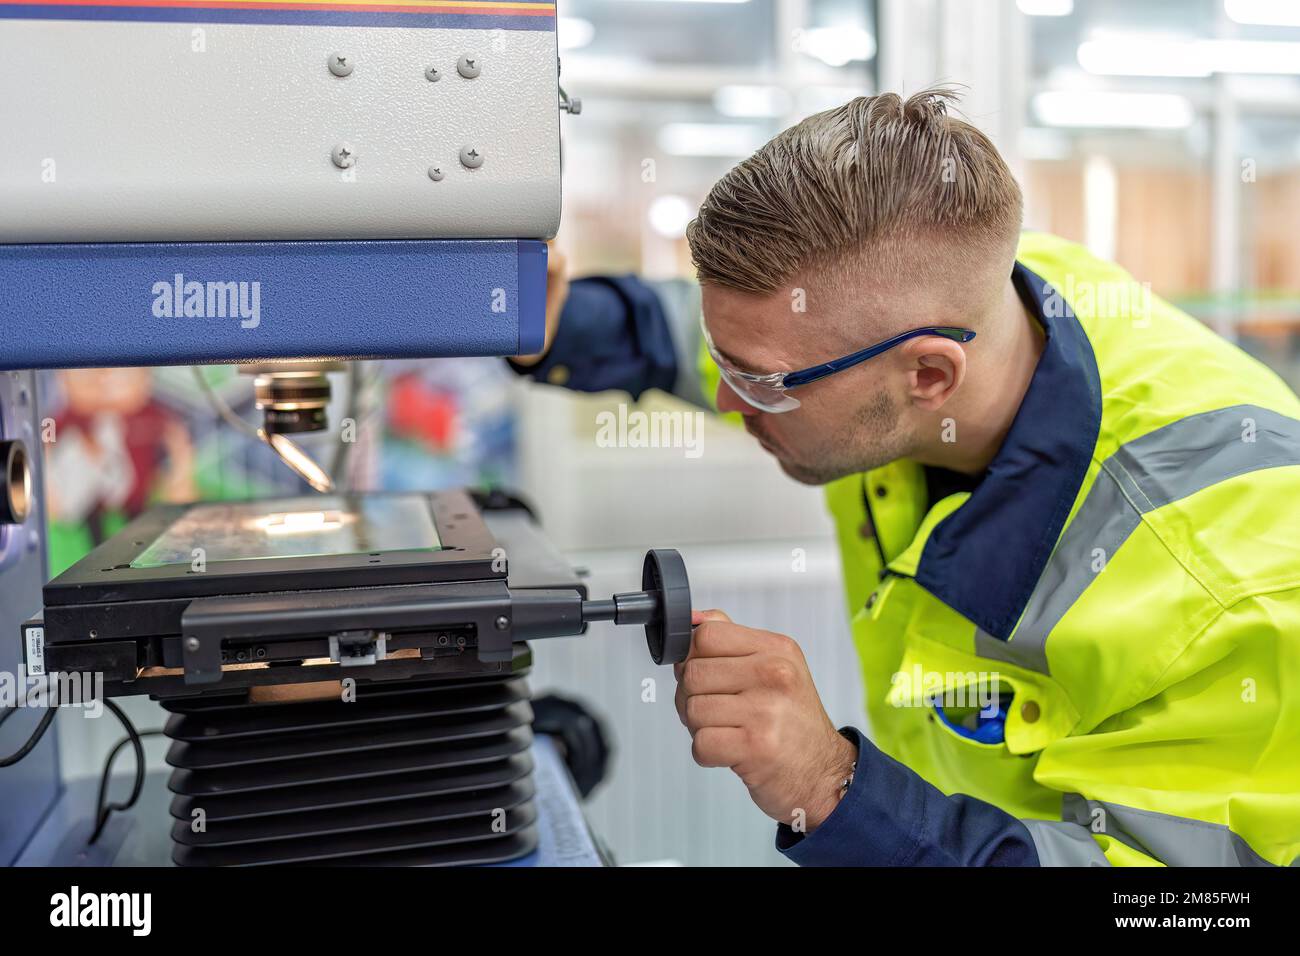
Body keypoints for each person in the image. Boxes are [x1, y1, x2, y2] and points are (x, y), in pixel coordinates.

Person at [512, 88, 1300, 866]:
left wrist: (832, 788)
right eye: (728, 366)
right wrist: (542, 328)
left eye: (758, 385)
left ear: (928, 376)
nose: (721, 398)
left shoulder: (1238, 592)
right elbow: (722, 335)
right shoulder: (975, 297)